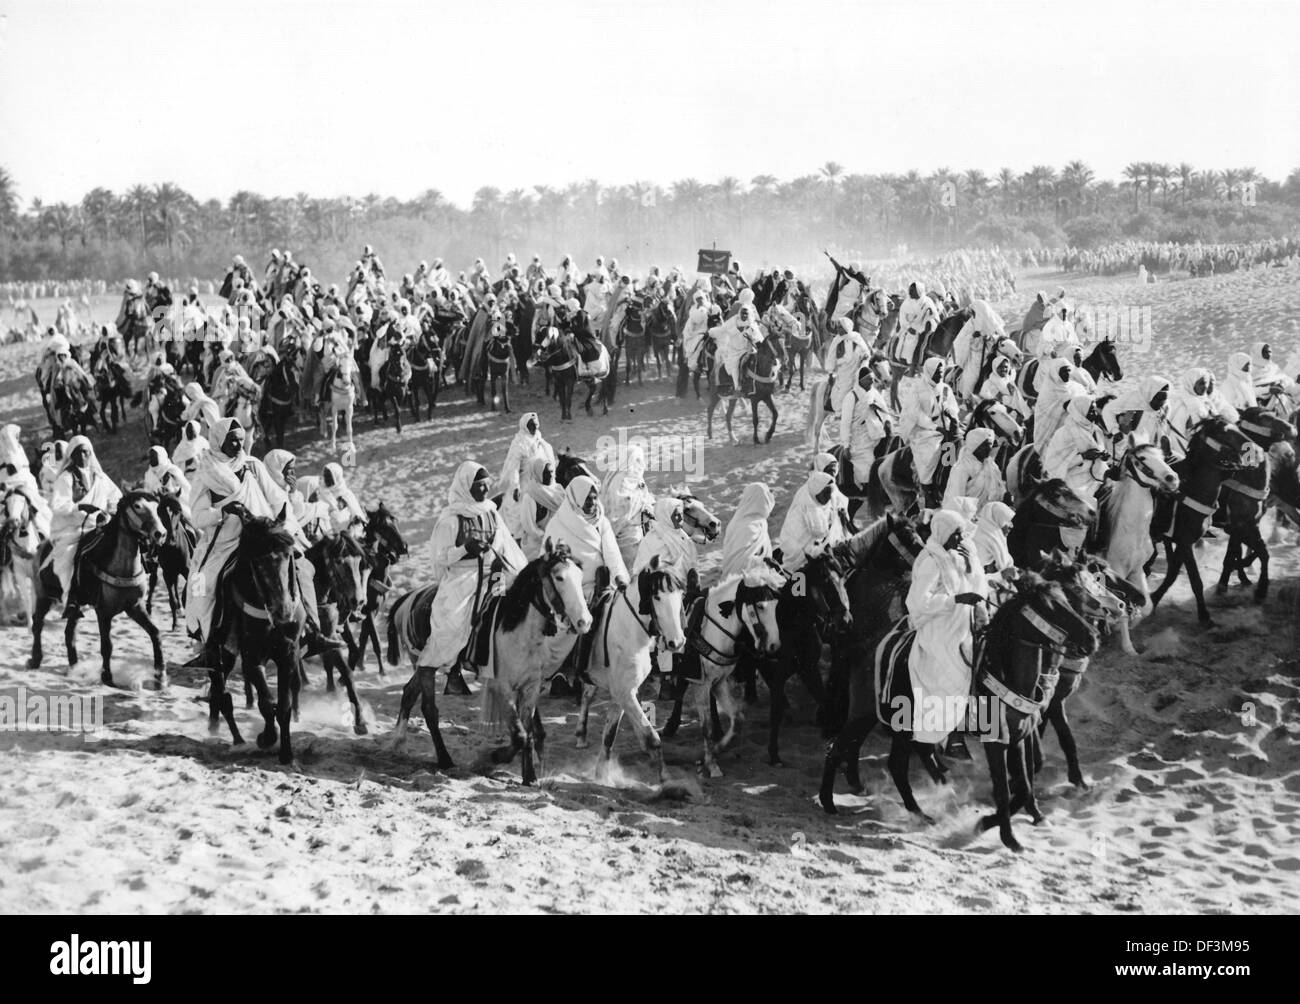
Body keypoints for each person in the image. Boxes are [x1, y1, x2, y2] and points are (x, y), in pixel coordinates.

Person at [184, 418, 294, 651]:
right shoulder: (205, 471)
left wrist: (281, 524)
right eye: (232, 441)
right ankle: (207, 639)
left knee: (300, 566)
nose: (239, 446)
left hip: (262, 535)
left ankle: (310, 629)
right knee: (201, 582)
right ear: (218, 441)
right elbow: (197, 517)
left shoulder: (253, 465)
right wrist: (222, 511)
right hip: (225, 540)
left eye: (242, 441)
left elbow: (277, 498)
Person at [416, 462, 525, 685]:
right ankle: (452, 665)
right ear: (466, 487)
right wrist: (466, 548)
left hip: (493, 572)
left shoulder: (492, 513)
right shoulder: (451, 519)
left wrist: (503, 565)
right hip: (463, 576)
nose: (485, 491)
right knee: (454, 620)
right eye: (479, 486)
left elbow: (506, 545)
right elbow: (441, 557)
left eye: (486, 486)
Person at [904, 508, 987, 745]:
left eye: (962, 534)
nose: (961, 539)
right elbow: (919, 601)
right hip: (938, 625)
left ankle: (973, 719)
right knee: (952, 669)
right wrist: (955, 600)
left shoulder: (955, 555)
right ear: (943, 532)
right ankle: (941, 732)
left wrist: (979, 572)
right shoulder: (931, 560)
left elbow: (972, 585)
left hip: (963, 621)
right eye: (957, 534)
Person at [45, 436, 122, 604]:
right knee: (66, 557)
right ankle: (70, 597)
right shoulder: (66, 477)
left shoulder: (100, 477)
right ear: (72, 455)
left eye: (85, 452)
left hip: (101, 524)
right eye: (78, 452)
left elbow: (116, 496)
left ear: (90, 453)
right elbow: (58, 504)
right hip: (74, 527)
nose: (82, 456)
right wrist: (79, 508)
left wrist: (110, 511)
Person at [543, 473, 629, 605]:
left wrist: (619, 578)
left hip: (603, 585)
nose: (593, 503)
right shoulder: (557, 524)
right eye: (587, 499)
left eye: (595, 498)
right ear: (576, 499)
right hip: (571, 590)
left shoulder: (601, 522)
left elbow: (612, 553)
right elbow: (547, 562)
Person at [899, 358, 959, 508]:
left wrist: (951, 415)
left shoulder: (945, 388)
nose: (939, 376)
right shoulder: (917, 387)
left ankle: (948, 481)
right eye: (936, 373)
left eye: (941, 373)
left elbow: (953, 406)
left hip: (944, 425)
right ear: (928, 372)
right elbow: (915, 413)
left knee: (956, 445)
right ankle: (927, 490)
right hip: (923, 429)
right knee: (931, 451)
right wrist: (935, 427)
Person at [1044, 395, 1112, 510]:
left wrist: (1104, 456)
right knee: (1087, 506)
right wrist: (1083, 456)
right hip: (1073, 480)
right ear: (1081, 413)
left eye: (1094, 410)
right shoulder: (1064, 434)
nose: (1095, 414)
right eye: (1091, 411)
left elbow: (1100, 452)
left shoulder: (1096, 430)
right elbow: (1053, 465)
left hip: (1096, 477)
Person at [497, 412, 556, 543]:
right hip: (526, 481)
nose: (534, 428)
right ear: (525, 426)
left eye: (535, 425)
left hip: (541, 479)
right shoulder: (519, 443)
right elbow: (513, 467)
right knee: (519, 509)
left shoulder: (541, 441)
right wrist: (515, 486)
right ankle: (518, 537)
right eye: (531, 426)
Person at [838, 362, 893, 487]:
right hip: (859, 438)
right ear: (860, 381)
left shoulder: (873, 393)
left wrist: (887, 421)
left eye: (873, 379)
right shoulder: (851, 397)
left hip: (875, 432)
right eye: (869, 379)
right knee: (866, 468)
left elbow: (885, 411)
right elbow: (845, 424)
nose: (872, 382)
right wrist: (846, 445)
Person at [600, 445, 655, 570]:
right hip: (625, 538)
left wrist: (647, 507)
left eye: (641, 460)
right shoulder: (620, 481)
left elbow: (647, 497)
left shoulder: (637, 479)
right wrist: (640, 510)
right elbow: (617, 514)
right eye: (637, 460)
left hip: (641, 532)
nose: (641, 464)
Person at [264, 449, 333, 541]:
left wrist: (293, 492)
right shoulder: (267, 492)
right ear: (277, 470)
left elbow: (298, 513)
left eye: (293, 469)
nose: (293, 473)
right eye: (289, 469)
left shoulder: (286, 489)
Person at [777, 471, 836, 573]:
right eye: (826, 494)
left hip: (811, 541)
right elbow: (820, 532)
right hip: (796, 547)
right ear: (816, 491)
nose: (829, 498)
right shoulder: (809, 505)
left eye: (830, 493)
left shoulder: (814, 496)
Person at [718, 483, 775, 580]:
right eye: (767, 496)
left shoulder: (761, 522)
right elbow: (740, 562)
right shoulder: (746, 525)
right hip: (741, 581)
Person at [1101, 375, 1172, 452]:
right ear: (1150, 394)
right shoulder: (1134, 399)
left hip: (1153, 446)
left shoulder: (1166, 406)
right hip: (1130, 444)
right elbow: (1108, 410)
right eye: (1158, 399)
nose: (1161, 403)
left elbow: (1165, 427)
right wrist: (1115, 430)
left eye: (1164, 400)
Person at [942, 428, 1006, 512]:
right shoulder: (962, 468)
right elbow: (955, 500)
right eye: (985, 445)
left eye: (990, 445)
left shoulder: (991, 466)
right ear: (974, 446)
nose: (989, 448)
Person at [1033, 360, 1088, 455]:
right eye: (1063, 371)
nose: (1067, 374)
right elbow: (1070, 405)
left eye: (1068, 371)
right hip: (1053, 428)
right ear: (1055, 373)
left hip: (1073, 423)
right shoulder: (1048, 389)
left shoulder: (1074, 386)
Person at [632, 497, 697, 576]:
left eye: (681, 514)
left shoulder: (682, 536)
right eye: (676, 515)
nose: (680, 518)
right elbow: (642, 569)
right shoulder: (651, 540)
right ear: (666, 516)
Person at [516, 457, 564, 559]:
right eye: (546, 473)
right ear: (538, 474)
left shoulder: (558, 490)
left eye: (551, 471)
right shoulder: (530, 496)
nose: (550, 475)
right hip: (538, 544)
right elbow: (529, 525)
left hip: (561, 538)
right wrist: (547, 536)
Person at [824, 317, 871, 416]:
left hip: (857, 370)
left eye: (841, 327)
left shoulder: (857, 338)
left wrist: (865, 359)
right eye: (838, 328)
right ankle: (840, 413)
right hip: (843, 372)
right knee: (841, 393)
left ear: (847, 327)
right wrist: (830, 373)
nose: (838, 330)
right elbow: (831, 357)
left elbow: (866, 352)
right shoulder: (837, 340)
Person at [972, 500, 1015, 585]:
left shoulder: (977, 526)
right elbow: (1005, 566)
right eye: (1006, 522)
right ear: (997, 519)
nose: (1010, 527)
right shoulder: (991, 534)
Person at [315, 462, 365, 534]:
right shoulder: (320, 493)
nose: (327, 479)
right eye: (325, 476)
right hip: (329, 534)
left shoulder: (346, 494)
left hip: (349, 533)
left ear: (337, 477)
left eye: (329, 476)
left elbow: (357, 513)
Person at [813, 452, 855, 540]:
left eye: (834, 470)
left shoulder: (834, 488)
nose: (833, 473)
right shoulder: (815, 489)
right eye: (829, 470)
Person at [898, 281, 939, 368]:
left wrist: (930, 315)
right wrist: (909, 328)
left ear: (919, 291)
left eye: (912, 291)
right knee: (908, 343)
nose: (910, 293)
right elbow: (902, 317)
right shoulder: (907, 302)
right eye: (910, 290)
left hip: (924, 327)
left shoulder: (927, 301)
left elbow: (935, 316)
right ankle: (909, 364)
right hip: (910, 327)